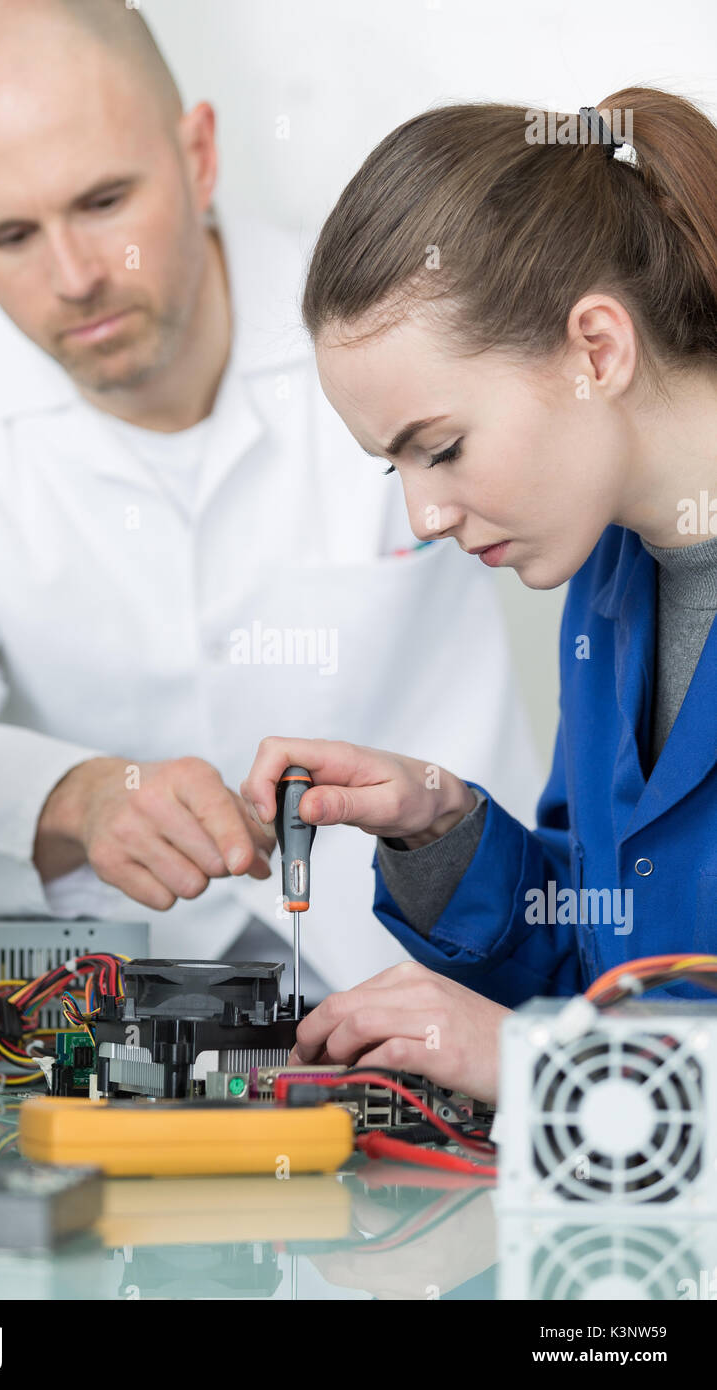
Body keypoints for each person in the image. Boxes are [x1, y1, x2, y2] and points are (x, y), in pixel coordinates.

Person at [0, 0, 542, 997]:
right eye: (8, 234)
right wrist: (70, 797)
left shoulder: (399, 328)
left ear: (199, 153)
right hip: (139, 1030)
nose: (75, 275)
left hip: (464, 990)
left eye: (104, 202)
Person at [242, 87, 717, 1096]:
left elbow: (596, 1042)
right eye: (395, 468)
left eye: (442, 448)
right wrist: (436, 830)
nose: (423, 516)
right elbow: (617, 972)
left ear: (596, 349)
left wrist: (535, 1061)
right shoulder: (609, 577)